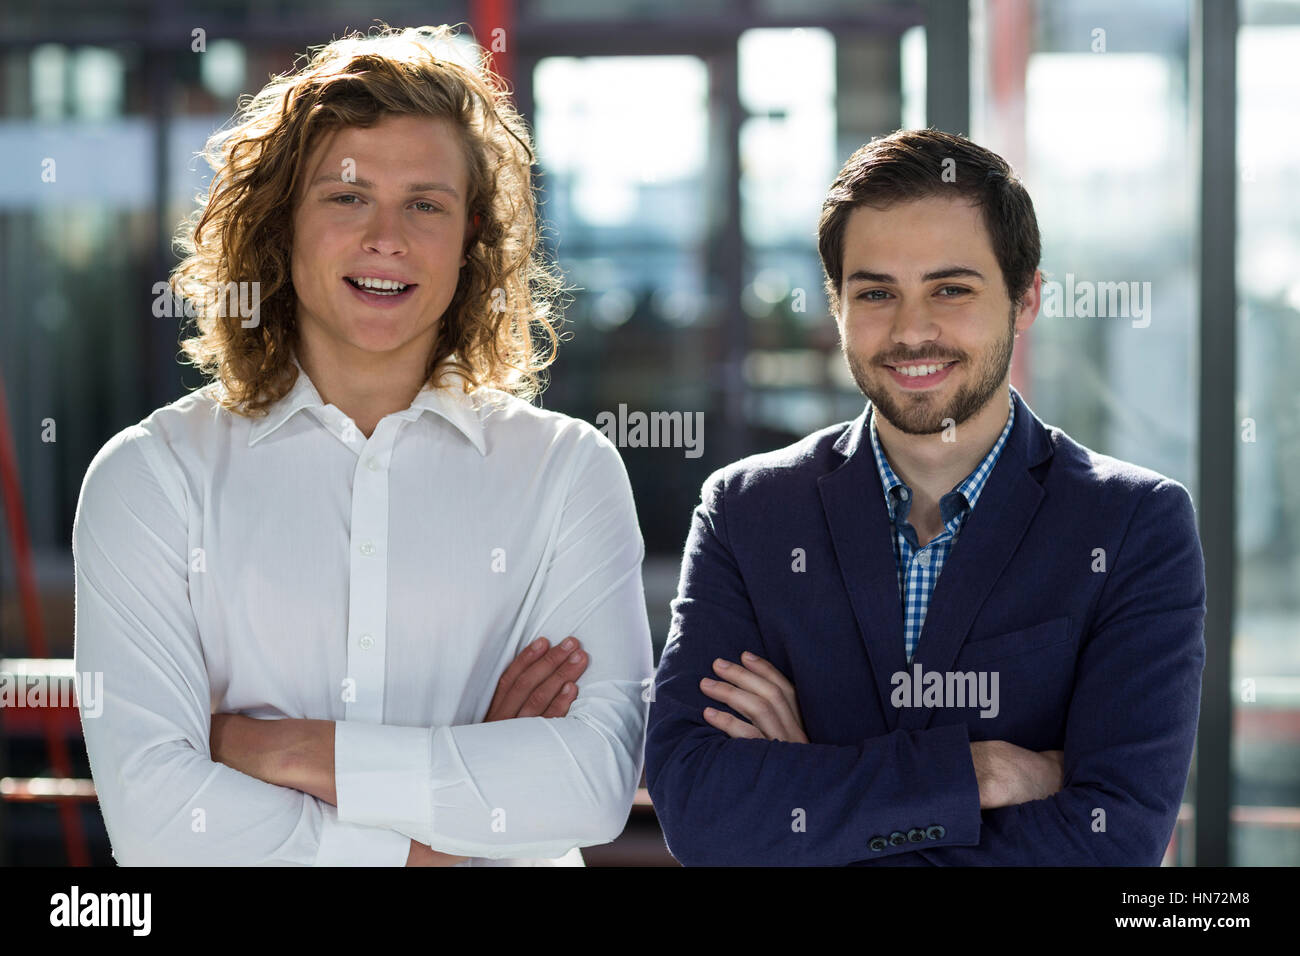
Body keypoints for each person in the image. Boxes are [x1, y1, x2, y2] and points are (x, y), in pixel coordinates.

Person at [72, 25, 653, 866]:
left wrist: (281, 751)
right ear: (282, 223)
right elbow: (161, 822)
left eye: (426, 202)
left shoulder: (569, 472)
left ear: (470, 237)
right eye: (346, 196)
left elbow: (593, 783)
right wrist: (449, 833)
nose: (388, 236)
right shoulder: (152, 476)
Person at [645, 128, 1206, 865]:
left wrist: (813, 789)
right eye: (876, 292)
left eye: (950, 289)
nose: (912, 331)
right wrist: (976, 775)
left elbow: (1116, 841)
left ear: (1025, 298)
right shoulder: (748, 511)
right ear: (836, 307)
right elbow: (700, 811)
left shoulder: (1135, 524)